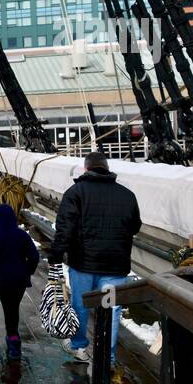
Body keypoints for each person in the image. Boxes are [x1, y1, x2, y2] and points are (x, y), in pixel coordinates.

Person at [48, 151, 142, 363]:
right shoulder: (127, 195)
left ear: (86, 168)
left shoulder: (75, 193)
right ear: (107, 168)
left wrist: (55, 255)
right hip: (115, 266)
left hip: (83, 264)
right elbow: (134, 226)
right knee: (111, 308)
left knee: (80, 304)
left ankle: (79, 346)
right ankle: (106, 356)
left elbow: (65, 229)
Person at [0, 203, 40, 360]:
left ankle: (12, 339)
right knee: (14, 307)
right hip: (19, 279)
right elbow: (34, 256)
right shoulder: (21, 235)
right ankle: (13, 339)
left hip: (2, 279)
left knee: (8, 308)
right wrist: (28, 271)